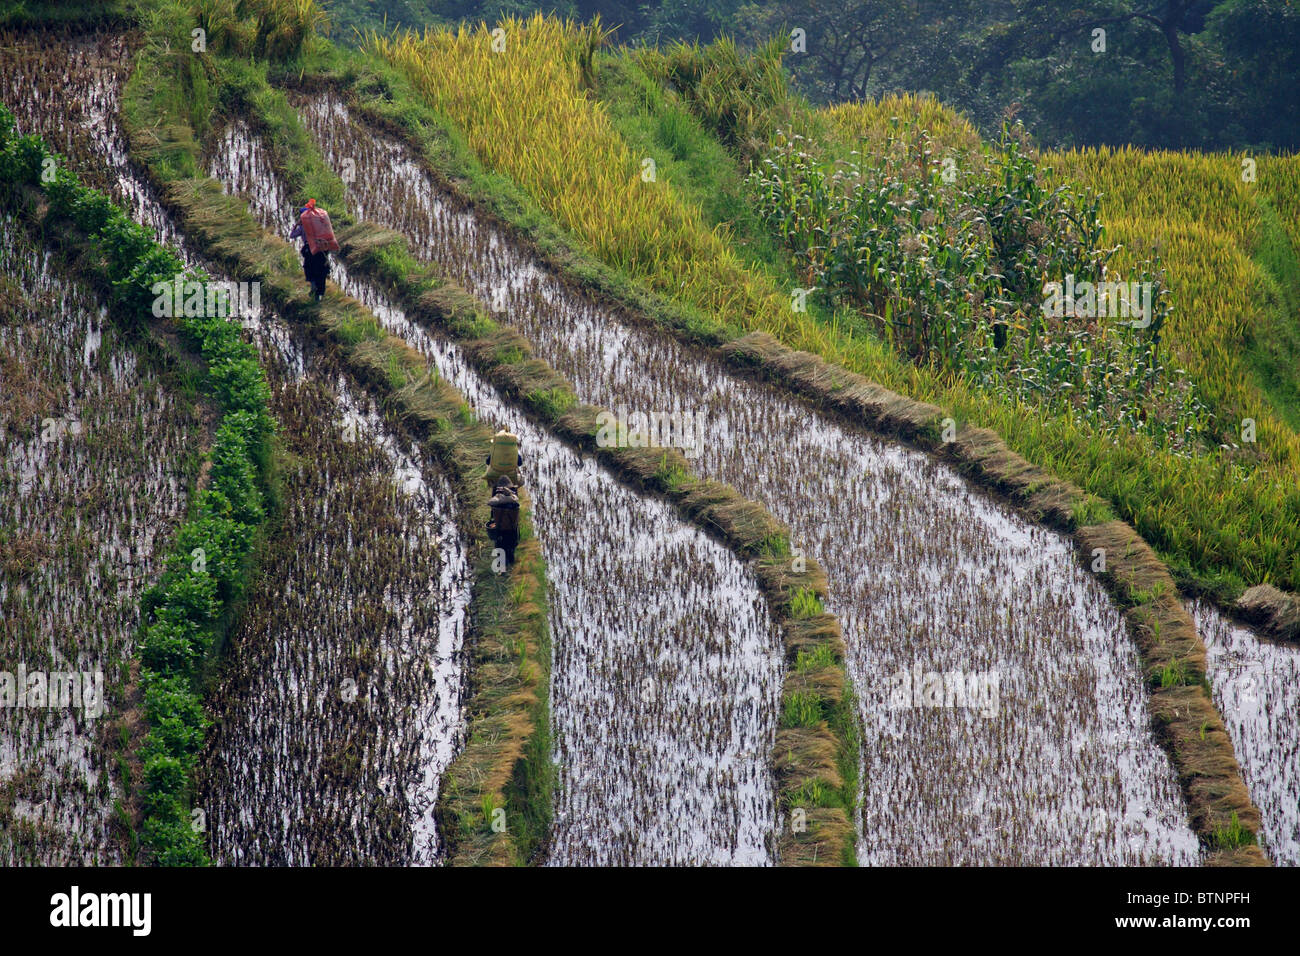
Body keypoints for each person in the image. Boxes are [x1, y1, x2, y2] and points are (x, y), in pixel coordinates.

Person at [289, 199, 335, 300]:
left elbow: (292, 236)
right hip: (322, 250)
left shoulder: (302, 228)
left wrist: (295, 226)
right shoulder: (319, 224)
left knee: (310, 268)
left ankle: (314, 286)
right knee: (322, 270)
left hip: (309, 250)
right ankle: (320, 293)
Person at [486, 477, 520, 565]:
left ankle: (501, 569)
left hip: (500, 530)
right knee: (510, 548)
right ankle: (510, 566)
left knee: (500, 548)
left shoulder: (496, 502)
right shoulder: (514, 502)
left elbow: (490, 505)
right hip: (512, 530)